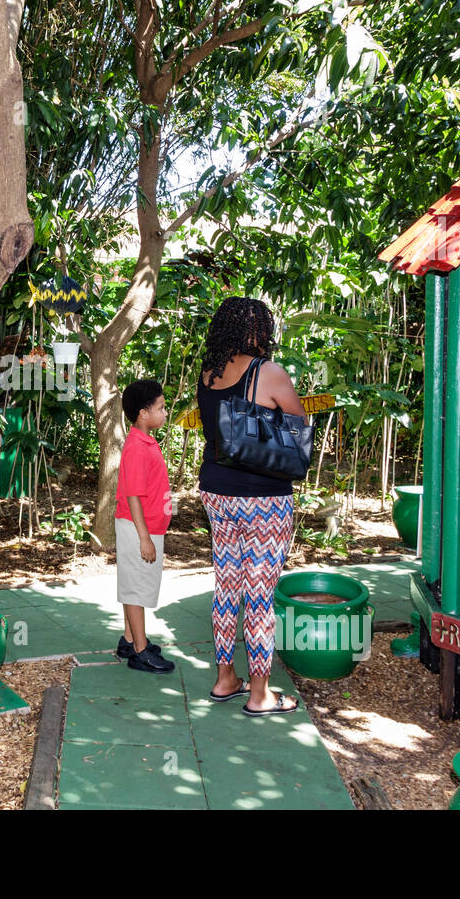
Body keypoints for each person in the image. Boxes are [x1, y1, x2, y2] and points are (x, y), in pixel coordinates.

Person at [197, 298, 305, 715]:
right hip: (263, 497)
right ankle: (260, 694)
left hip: (217, 491)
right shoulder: (269, 372)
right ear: (258, 329)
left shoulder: (208, 373)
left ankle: (226, 679)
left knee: (227, 586)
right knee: (259, 593)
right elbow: (298, 426)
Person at [114, 378, 175, 674]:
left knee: (134, 586)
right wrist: (144, 538)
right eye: (161, 408)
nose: (165, 413)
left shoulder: (145, 442)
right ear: (143, 413)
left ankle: (129, 640)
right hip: (138, 528)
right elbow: (133, 495)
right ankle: (139, 651)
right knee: (136, 590)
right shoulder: (137, 447)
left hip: (147, 527)